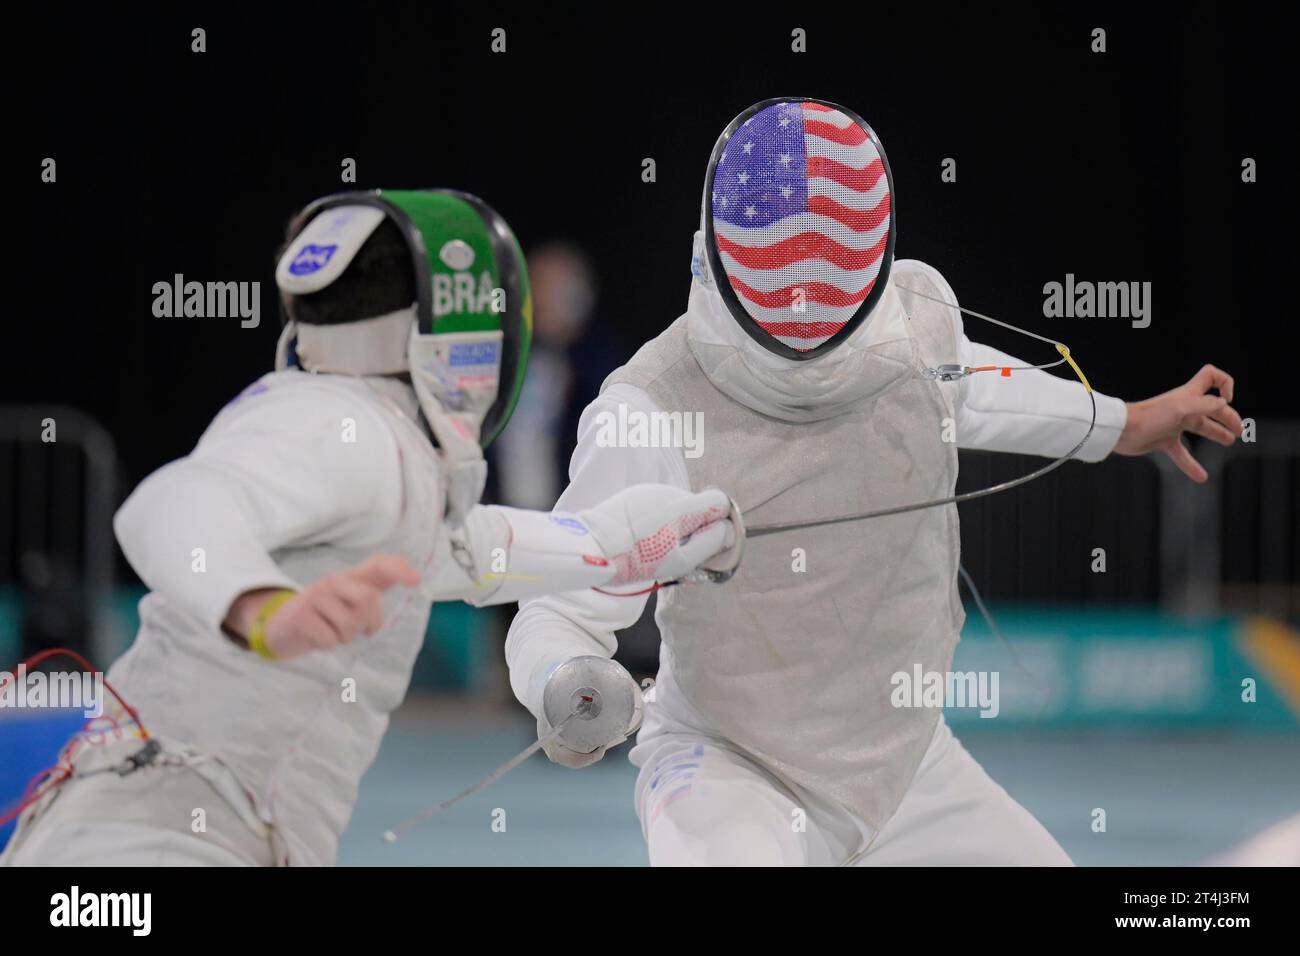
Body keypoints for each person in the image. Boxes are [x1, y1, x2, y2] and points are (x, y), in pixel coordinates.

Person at [504, 99, 1244, 866]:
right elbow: (561, 598)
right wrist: (570, 678)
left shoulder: (917, 323)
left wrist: (1121, 422)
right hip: (731, 767)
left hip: (910, 766)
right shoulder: (652, 405)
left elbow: (975, 386)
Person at [0, 189, 735, 867]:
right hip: (146, 844)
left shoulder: (370, 441)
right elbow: (171, 503)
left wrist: (636, 543)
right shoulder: (339, 423)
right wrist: (264, 612)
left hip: (163, 828)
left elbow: (480, 551)